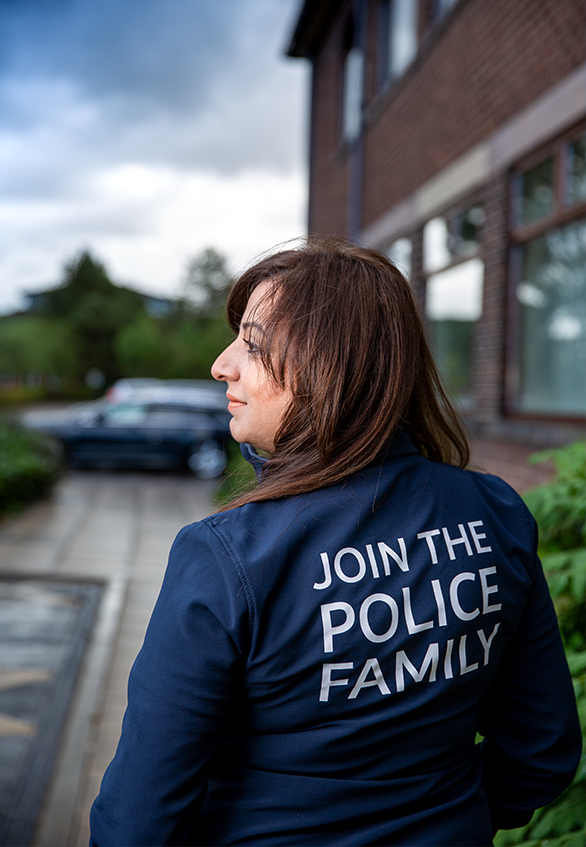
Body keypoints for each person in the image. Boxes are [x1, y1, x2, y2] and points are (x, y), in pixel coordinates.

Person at [89, 237, 581, 847]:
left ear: (330, 365)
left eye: (253, 343)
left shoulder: (228, 556)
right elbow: (541, 754)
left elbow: (137, 823)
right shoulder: (495, 510)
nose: (222, 364)